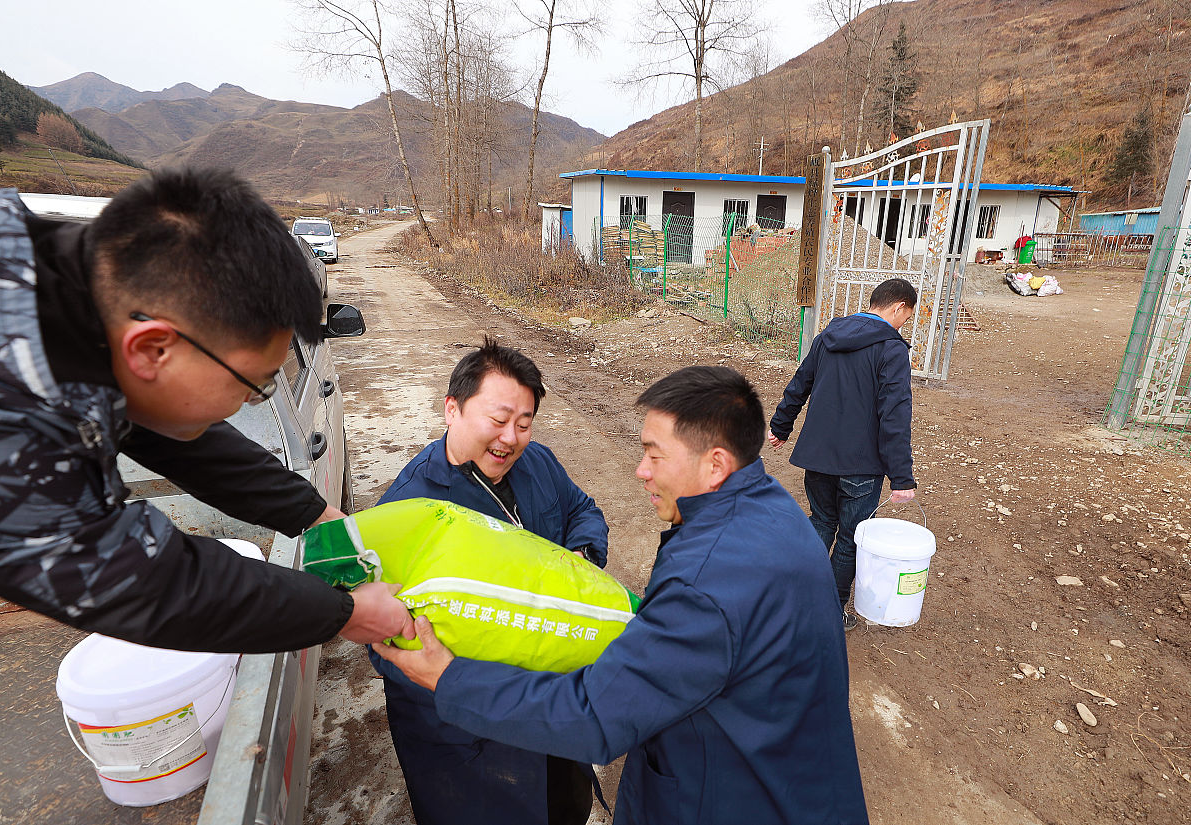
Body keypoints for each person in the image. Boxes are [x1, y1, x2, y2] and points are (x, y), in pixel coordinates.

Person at [374, 366, 869, 825]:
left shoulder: (706, 580)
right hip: (483, 745)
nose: (641, 471)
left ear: (716, 464)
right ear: (452, 409)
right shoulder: (774, 509)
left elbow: (596, 715)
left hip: (729, 794)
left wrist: (452, 678)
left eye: (655, 455)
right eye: (499, 419)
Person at [0, 169, 413, 653]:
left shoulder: (60, 287)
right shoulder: (9, 400)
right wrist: (347, 614)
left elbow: (177, 438)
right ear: (152, 349)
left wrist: (315, 516)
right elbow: (135, 577)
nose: (248, 400)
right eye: (255, 384)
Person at [368, 337, 609, 825]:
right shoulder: (409, 510)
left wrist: (580, 557)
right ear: (451, 409)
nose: (511, 438)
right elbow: (380, 639)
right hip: (466, 734)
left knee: (565, 807)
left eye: (524, 424)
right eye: (498, 421)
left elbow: (581, 508)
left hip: (551, 699)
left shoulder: (537, 463)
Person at [767, 277, 919, 631]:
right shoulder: (891, 349)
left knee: (820, 523)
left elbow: (800, 382)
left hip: (817, 456)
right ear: (898, 307)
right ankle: (829, 612)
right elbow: (895, 414)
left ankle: (802, 600)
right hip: (861, 465)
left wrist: (780, 425)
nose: (903, 324)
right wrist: (902, 476)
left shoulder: (828, 336)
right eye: (906, 317)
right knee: (851, 537)